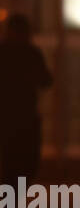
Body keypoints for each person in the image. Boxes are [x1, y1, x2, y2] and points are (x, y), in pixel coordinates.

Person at [0, 13, 54, 185]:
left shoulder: (7, 52)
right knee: (25, 163)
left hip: (9, 118)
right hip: (24, 118)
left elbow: (46, 80)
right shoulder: (31, 53)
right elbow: (46, 80)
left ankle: (9, 200)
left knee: (11, 164)